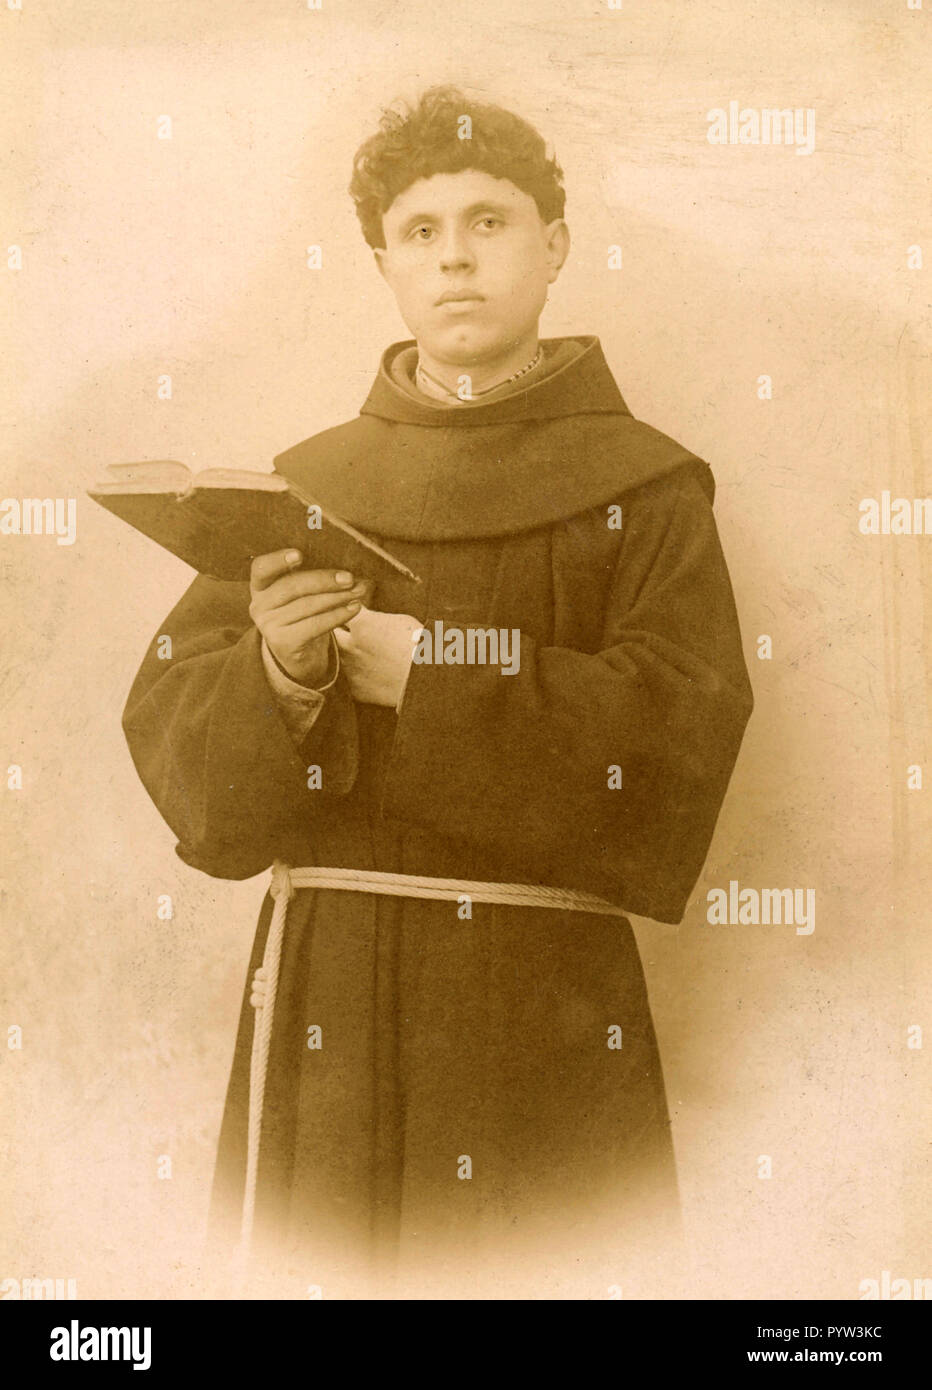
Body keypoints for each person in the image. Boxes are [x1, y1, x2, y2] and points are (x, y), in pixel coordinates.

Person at [122, 85, 753, 1299]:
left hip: (541, 1004)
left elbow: (680, 733)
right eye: (420, 232)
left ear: (553, 246)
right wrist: (281, 676)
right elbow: (185, 758)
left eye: (489, 221)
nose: (454, 257)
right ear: (381, 263)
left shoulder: (650, 487)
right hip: (331, 988)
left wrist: (425, 674)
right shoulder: (301, 485)